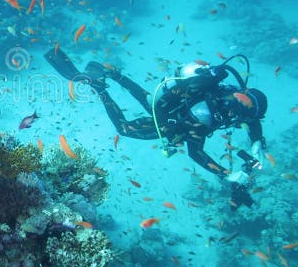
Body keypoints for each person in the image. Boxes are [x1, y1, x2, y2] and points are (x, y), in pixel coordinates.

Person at [44, 49, 268, 210]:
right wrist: (227, 174)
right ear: (242, 95)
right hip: (168, 121)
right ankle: (98, 87)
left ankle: (113, 74)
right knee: (125, 128)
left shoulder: (228, 98)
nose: (237, 109)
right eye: (241, 103)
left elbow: (253, 120)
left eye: (244, 111)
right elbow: (195, 152)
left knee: (150, 100)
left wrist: (257, 143)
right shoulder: (209, 110)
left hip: (168, 104)